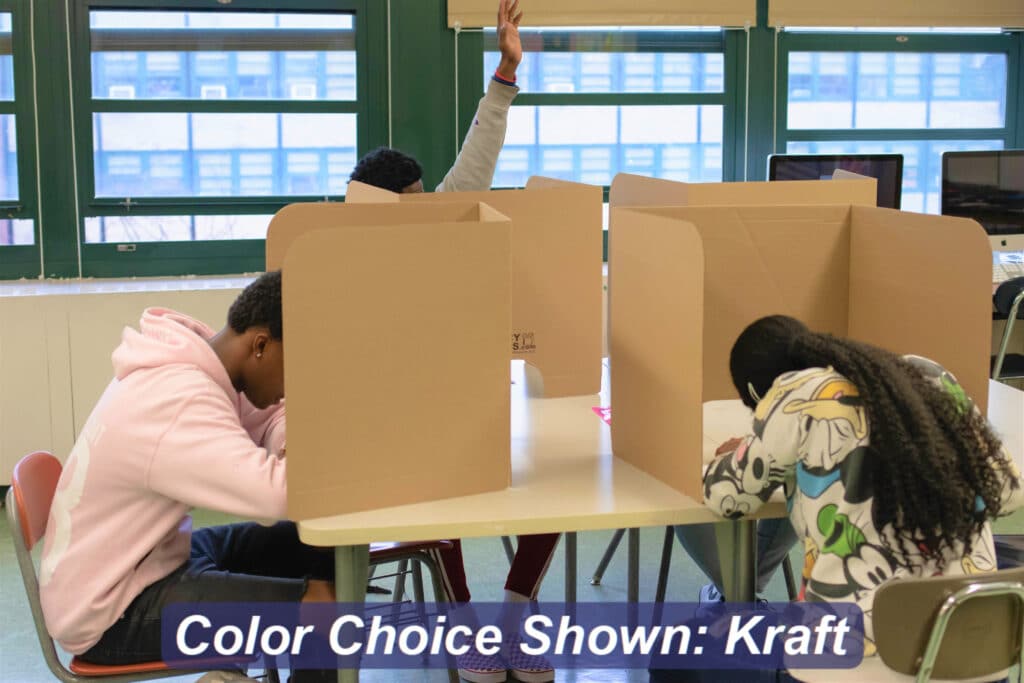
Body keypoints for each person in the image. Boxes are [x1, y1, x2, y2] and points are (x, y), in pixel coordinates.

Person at [351, 2, 559, 681]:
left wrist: (505, 71)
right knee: (439, 496)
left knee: (559, 483)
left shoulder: (439, 225)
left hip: (477, 406)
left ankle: (515, 611)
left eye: (425, 197)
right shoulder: (346, 274)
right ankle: (463, 622)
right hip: (401, 439)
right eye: (412, 201)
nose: (428, 208)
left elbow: (476, 158)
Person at [653, 314, 1024, 683]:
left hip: (857, 663)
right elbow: (1008, 493)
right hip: (975, 653)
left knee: (672, 652)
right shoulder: (929, 377)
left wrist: (740, 454)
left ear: (756, 394)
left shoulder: (797, 394)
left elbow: (726, 498)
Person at [38, 272, 339, 682]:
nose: (289, 391)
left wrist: (285, 447)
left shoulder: (206, 362)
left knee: (314, 544)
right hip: (109, 614)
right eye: (295, 370)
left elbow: (273, 416)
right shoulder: (179, 401)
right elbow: (277, 497)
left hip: (149, 562)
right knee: (319, 605)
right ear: (262, 346)